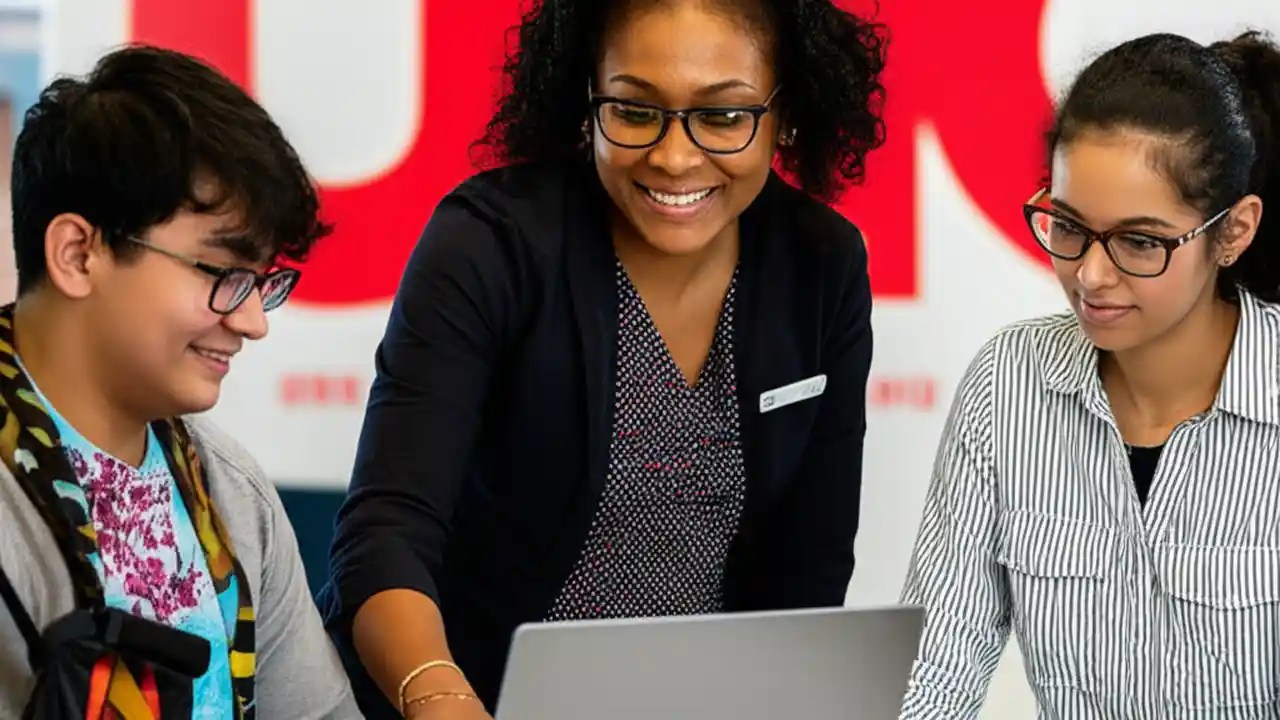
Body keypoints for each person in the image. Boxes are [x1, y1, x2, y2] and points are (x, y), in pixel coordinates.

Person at [318, 0, 887, 717]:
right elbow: (385, 536)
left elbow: (809, 571)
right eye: (634, 110)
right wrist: (441, 700)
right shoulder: (489, 245)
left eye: (723, 117)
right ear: (585, 101)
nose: (675, 156)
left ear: (786, 115)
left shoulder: (821, 264)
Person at [899, 30, 1280, 719]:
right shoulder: (1007, 383)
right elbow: (935, 667)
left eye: (1140, 242)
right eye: (1069, 227)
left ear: (1234, 231)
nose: (1091, 277)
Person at [0, 46, 362, 718]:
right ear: (79, 253)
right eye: (221, 273)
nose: (253, 321)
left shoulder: (232, 495)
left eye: (261, 283)